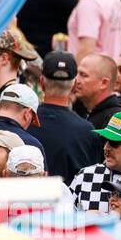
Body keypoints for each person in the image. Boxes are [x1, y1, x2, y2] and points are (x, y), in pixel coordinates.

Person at [30, 52, 99, 185]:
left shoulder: (25, 120)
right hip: (67, 204)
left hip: (26, 202)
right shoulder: (86, 130)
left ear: (42, 83)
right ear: (74, 85)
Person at [69, 111, 121, 213]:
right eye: (105, 140)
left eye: (114, 142)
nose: (106, 147)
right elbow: (65, 220)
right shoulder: (85, 176)